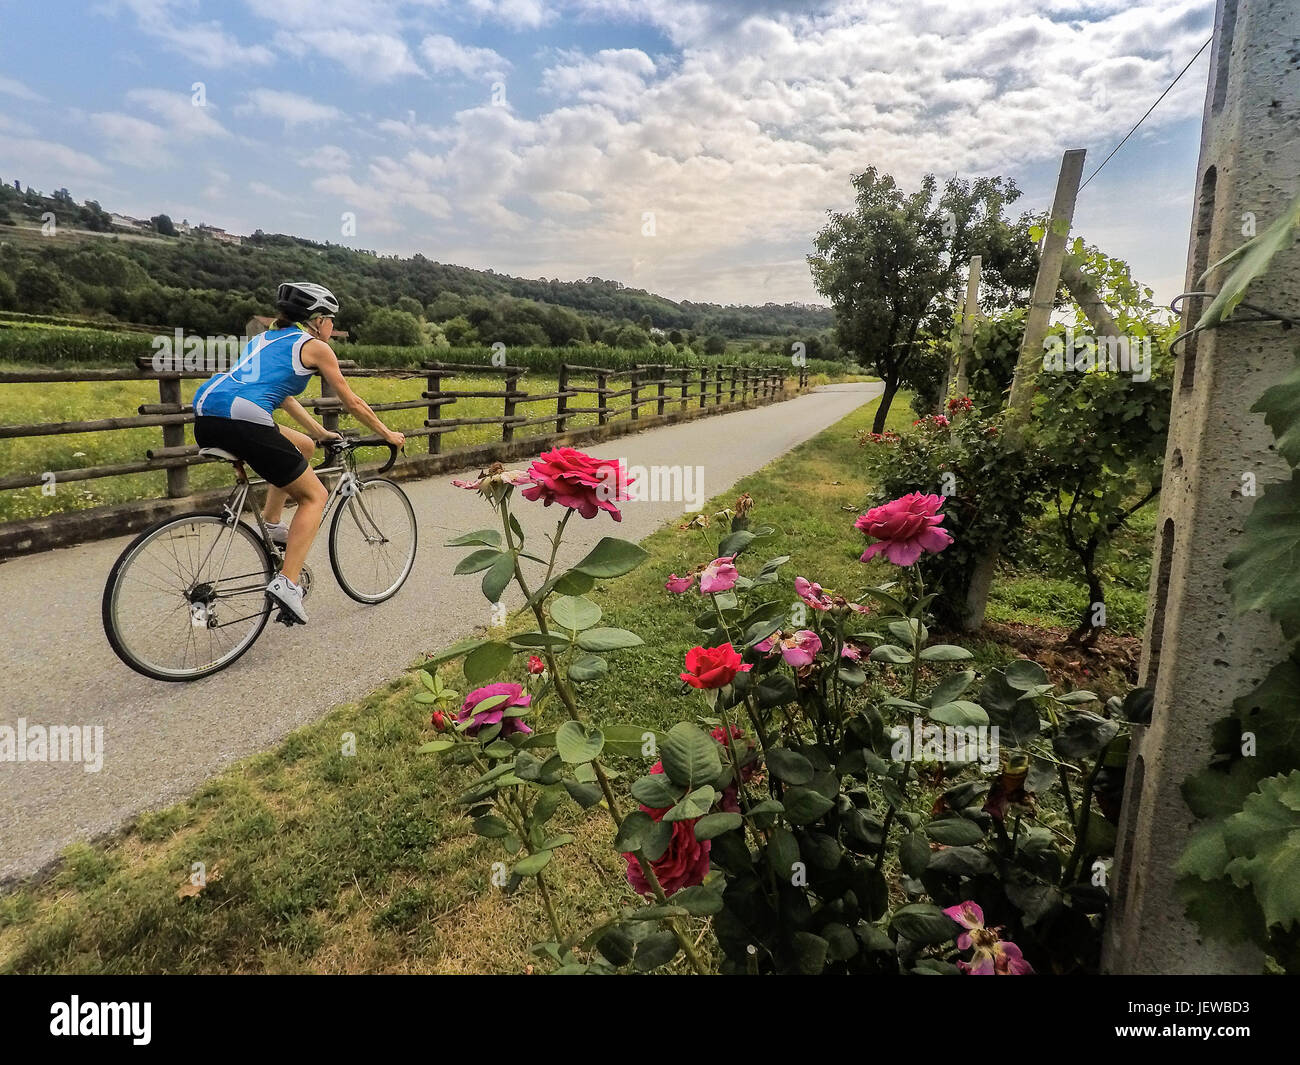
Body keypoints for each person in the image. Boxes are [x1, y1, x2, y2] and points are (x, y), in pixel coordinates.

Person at [192, 281, 405, 623]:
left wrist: (319, 433)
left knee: (302, 446)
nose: (333, 327)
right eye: (331, 320)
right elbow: (351, 400)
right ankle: (287, 583)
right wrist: (388, 434)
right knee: (315, 497)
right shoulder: (315, 347)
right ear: (317, 319)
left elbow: (285, 396)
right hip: (242, 417)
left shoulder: (262, 339)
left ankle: (274, 524)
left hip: (206, 413)